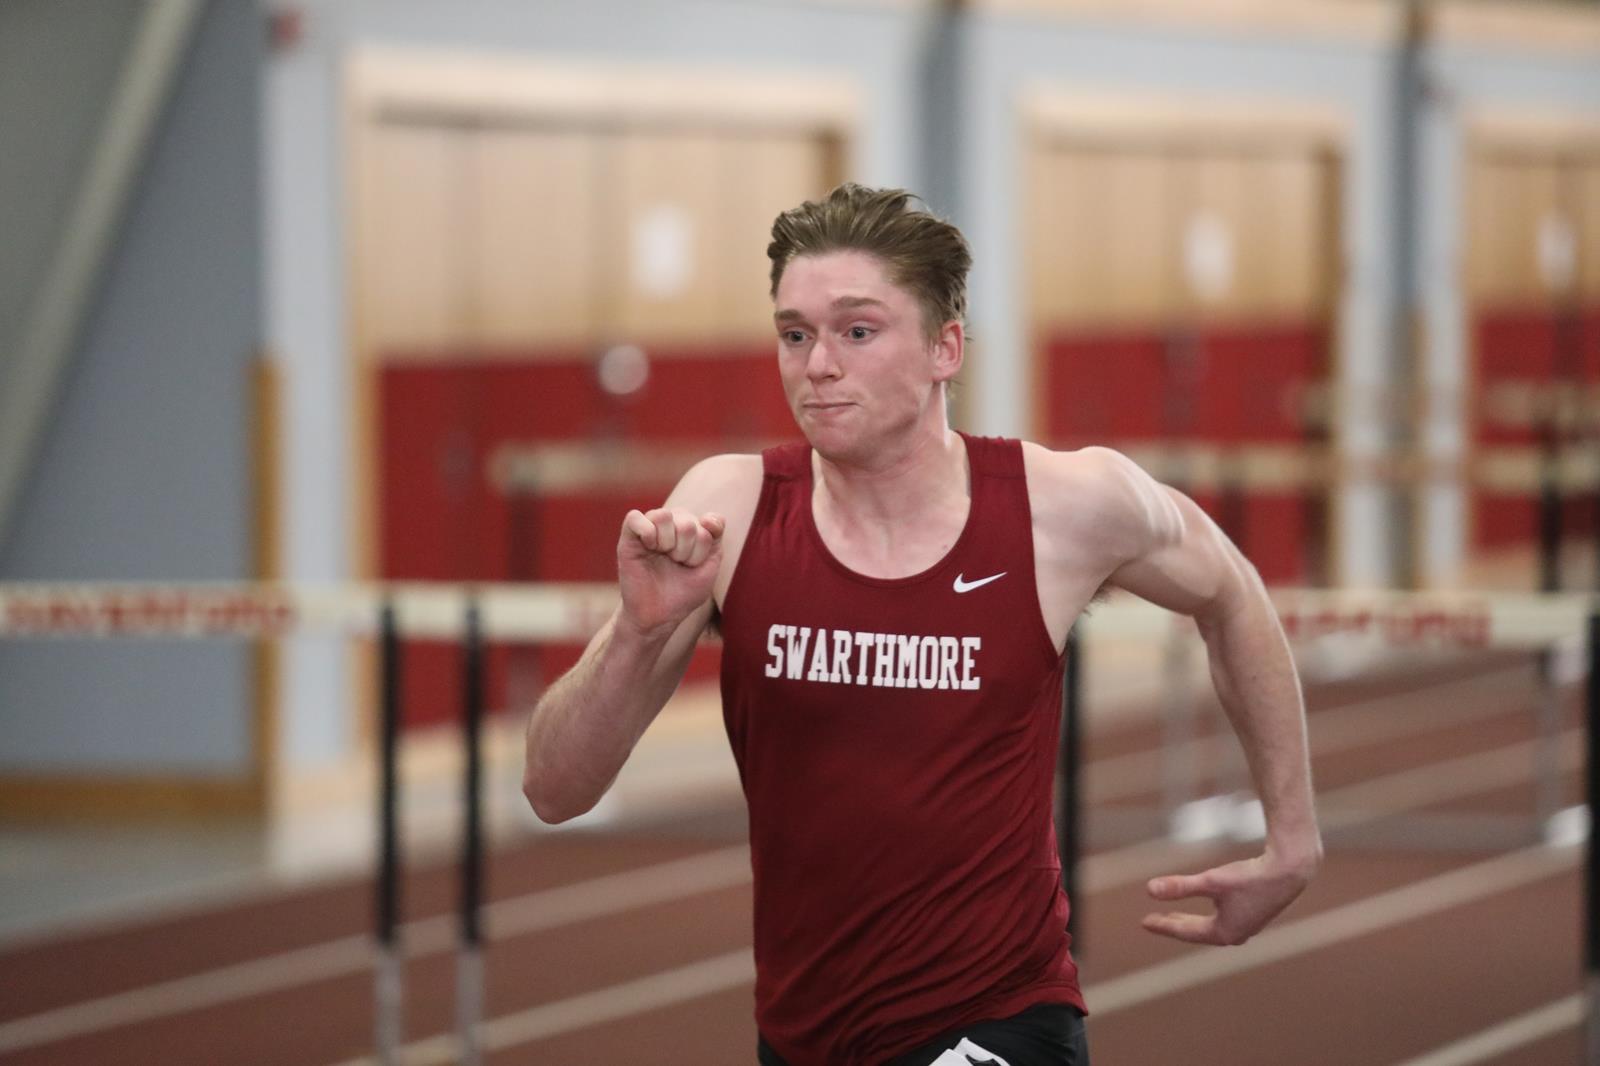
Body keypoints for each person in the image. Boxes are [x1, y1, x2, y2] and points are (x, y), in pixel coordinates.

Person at [523, 183, 1322, 1066]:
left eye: (857, 331)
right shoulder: (731, 509)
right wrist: (637, 636)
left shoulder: (1063, 505)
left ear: (947, 348)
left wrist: (1291, 838)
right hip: (802, 1035)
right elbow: (555, 791)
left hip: (998, 1018)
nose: (817, 364)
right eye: (796, 334)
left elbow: (1233, 593)